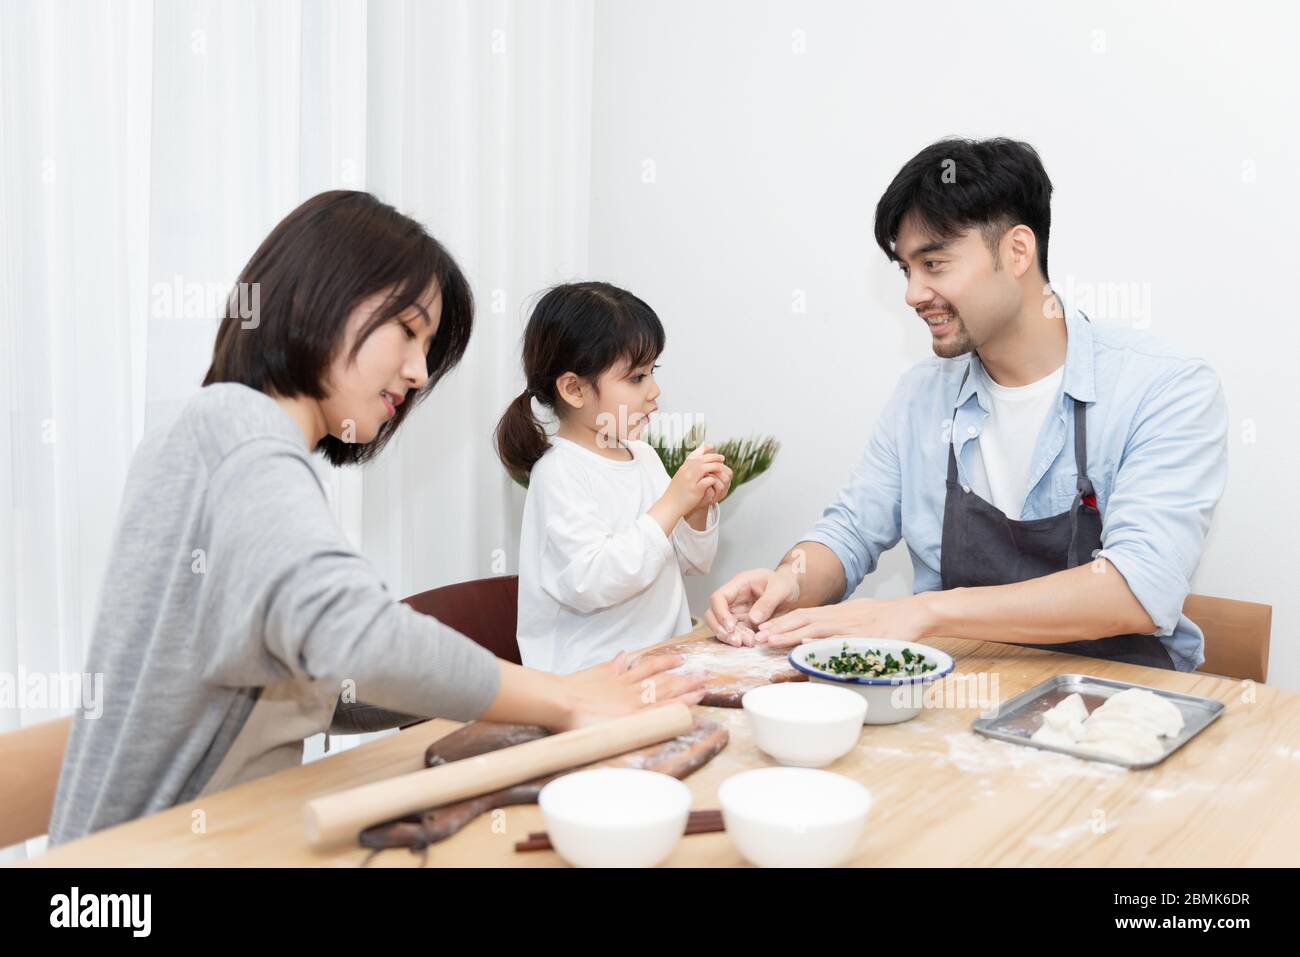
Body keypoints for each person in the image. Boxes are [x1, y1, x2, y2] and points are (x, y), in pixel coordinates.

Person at [49, 193, 705, 844]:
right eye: (409, 331)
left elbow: (320, 676)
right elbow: (355, 634)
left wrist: (531, 693)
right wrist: (561, 697)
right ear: (320, 300)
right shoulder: (237, 434)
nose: (420, 372)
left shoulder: (222, 437)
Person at [706, 138, 1227, 672]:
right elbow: (850, 533)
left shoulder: (1163, 388)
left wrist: (924, 613)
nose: (913, 293)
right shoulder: (921, 397)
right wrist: (789, 581)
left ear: (1017, 252)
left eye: (934, 263)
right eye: (906, 270)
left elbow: (1137, 589)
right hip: (958, 698)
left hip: (1122, 710)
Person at [496, 282, 732, 674]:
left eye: (652, 372)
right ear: (574, 389)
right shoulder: (559, 472)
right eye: (636, 377)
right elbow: (591, 582)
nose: (655, 391)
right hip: (591, 681)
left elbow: (693, 562)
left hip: (660, 663)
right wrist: (673, 502)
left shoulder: (643, 456)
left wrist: (696, 510)